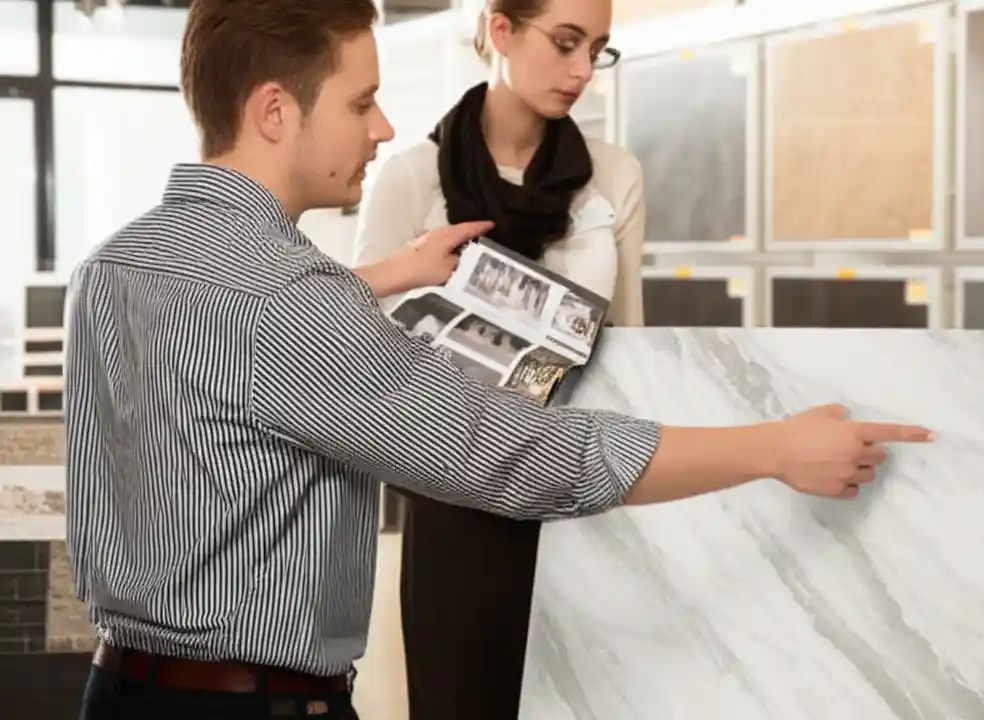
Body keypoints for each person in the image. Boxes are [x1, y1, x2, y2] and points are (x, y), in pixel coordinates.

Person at [63, 1, 933, 718]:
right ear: (275, 112)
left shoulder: (113, 270)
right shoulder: (292, 299)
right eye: (362, 103)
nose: (384, 126)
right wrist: (772, 450)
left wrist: (383, 277)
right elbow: (507, 453)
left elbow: (241, 347)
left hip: (116, 691)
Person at [349, 0, 649, 715]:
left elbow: (631, 343)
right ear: (501, 28)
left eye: (597, 50)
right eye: (566, 43)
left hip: (579, 487)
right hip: (456, 498)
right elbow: (361, 351)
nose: (581, 71)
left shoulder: (613, 177)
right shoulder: (411, 178)